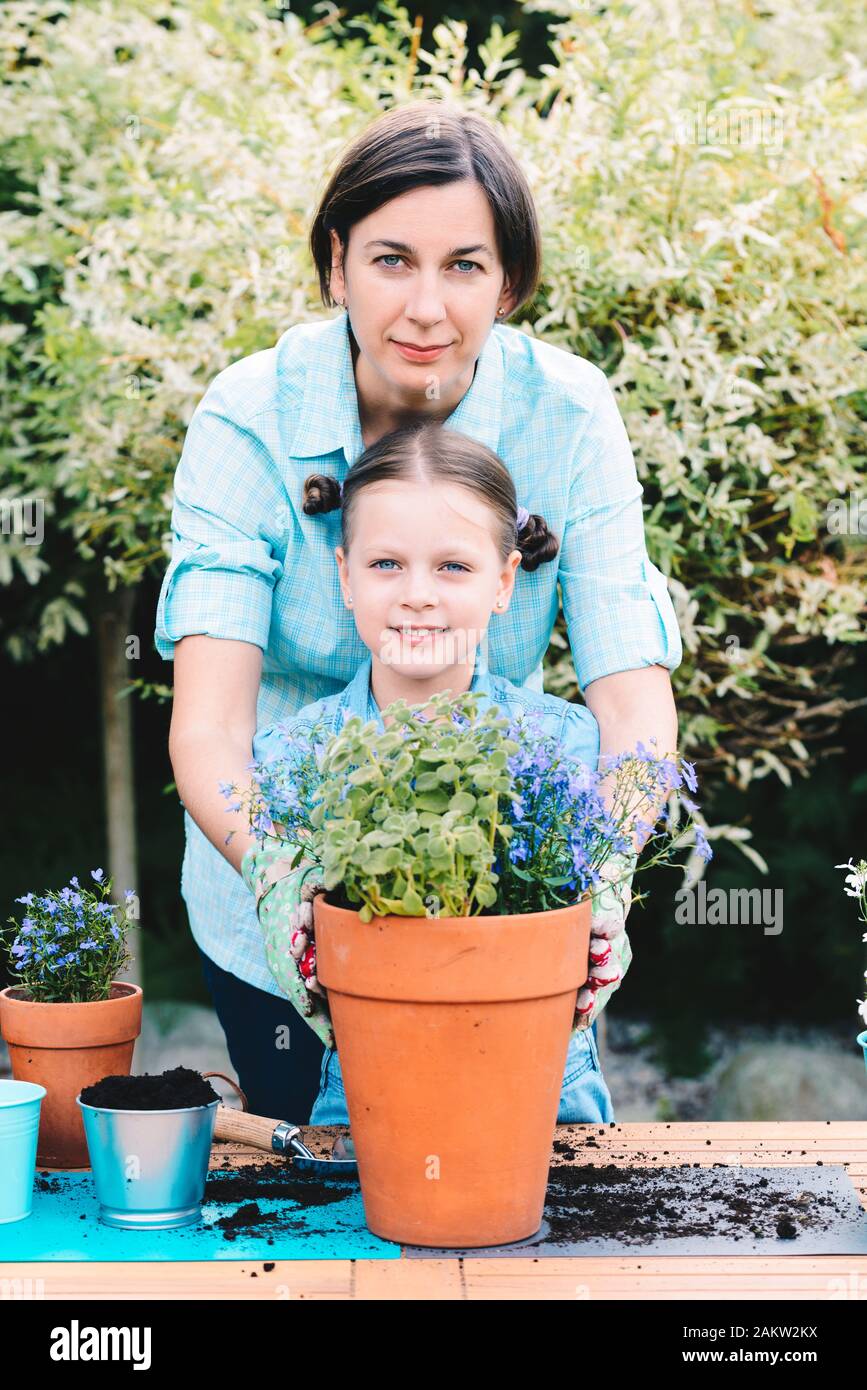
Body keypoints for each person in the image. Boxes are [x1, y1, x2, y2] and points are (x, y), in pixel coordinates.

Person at [155, 101, 681, 1122]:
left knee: (513, 1197)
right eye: (392, 260)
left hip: (508, 906)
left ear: (512, 281)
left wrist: (600, 877)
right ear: (337, 263)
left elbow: (632, 702)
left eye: (466, 266)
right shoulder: (249, 417)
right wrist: (285, 881)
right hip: (271, 885)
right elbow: (212, 723)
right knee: (327, 1199)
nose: (426, 308)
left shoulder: (569, 418)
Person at [242, 420, 637, 1125]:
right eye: (385, 564)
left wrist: (606, 911)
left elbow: (587, 901)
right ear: (343, 576)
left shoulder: (562, 742)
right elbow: (294, 901)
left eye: (452, 567)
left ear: (504, 582)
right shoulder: (292, 755)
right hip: (373, 1082)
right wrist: (285, 899)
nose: (417, 594)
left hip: (545, 1084)